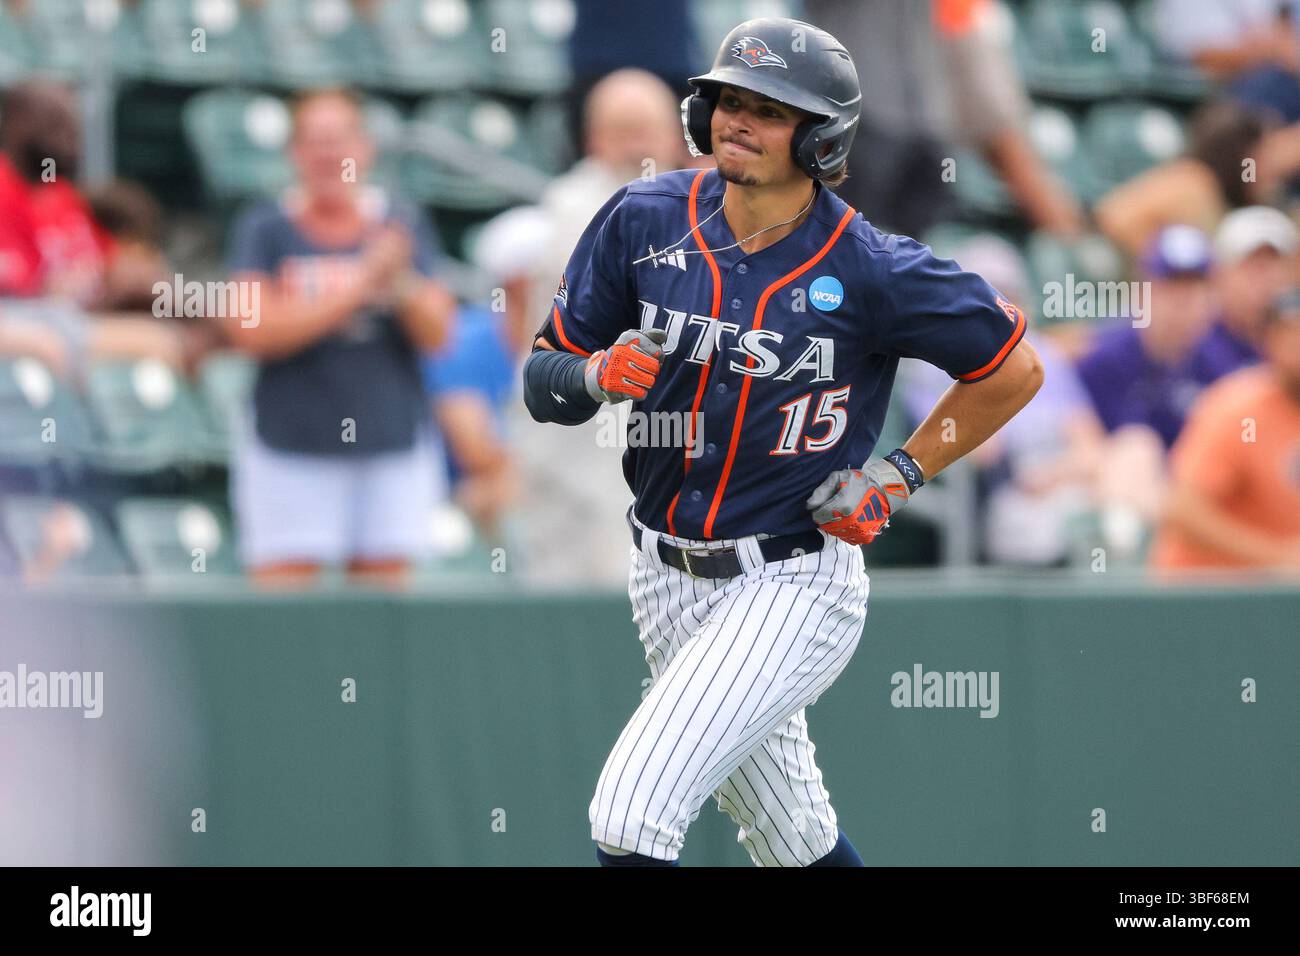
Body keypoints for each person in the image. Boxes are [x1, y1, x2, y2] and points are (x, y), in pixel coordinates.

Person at [522, 18, 1042, 866]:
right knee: (792, 839)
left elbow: (1011, 369)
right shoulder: (644, 217)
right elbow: (546, 380)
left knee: (629, 812)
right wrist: (591, 378)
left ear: (822, 135)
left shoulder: (873, 266)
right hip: (661, 573)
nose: (738, 119)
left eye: (768, 108)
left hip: (793, 576)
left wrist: (900, 473)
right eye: (729, 99)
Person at [223, 88, 454, 588]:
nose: (330, 155)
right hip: (289, 441)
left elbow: (439, 334)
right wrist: (362, 282)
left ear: (365, 148)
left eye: (341, 139)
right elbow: (252, 328)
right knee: (283, 604)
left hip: (390, 438)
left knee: (383, 614)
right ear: (294, 153)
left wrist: (400, 282)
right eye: (315, 141)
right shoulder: (265, 226)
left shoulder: (400, 223)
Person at [1151, 287, 1300, 573]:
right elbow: (1182, 510)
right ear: (1267, 343)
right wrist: (1276, 557)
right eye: (1288, 335)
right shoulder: (1236, 410)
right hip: (1209, 599)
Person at [1197, 205, 1298, 377]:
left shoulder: (1294, 344)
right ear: (1219, 274)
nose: (1265, 277)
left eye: (1274, 264)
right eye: (1251, 264)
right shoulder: (1193, 342)